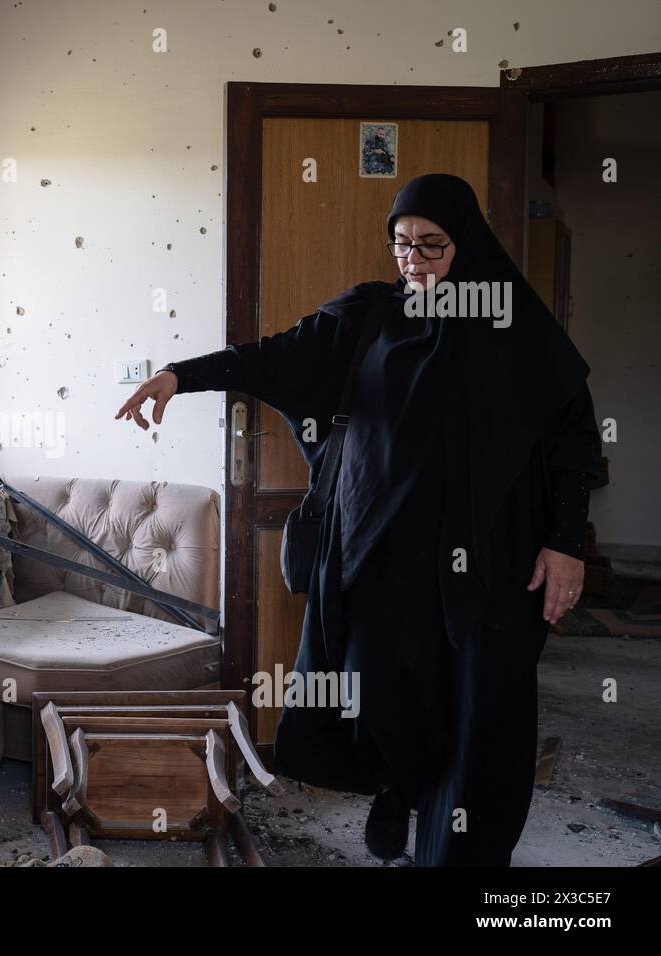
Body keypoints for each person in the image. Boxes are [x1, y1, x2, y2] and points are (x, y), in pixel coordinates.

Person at [114, 173, 600, 866]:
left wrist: (566, 542)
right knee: (386, 698)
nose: (414, 261)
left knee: (481, 718)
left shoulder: (516, 328)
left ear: (468, 244)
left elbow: (574, 443)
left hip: (489, 574)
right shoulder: (370, 317)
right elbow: (272, 356)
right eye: (402, 245)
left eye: (432, 246)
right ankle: (399, 788)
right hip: (379, 561)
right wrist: (178, 375)